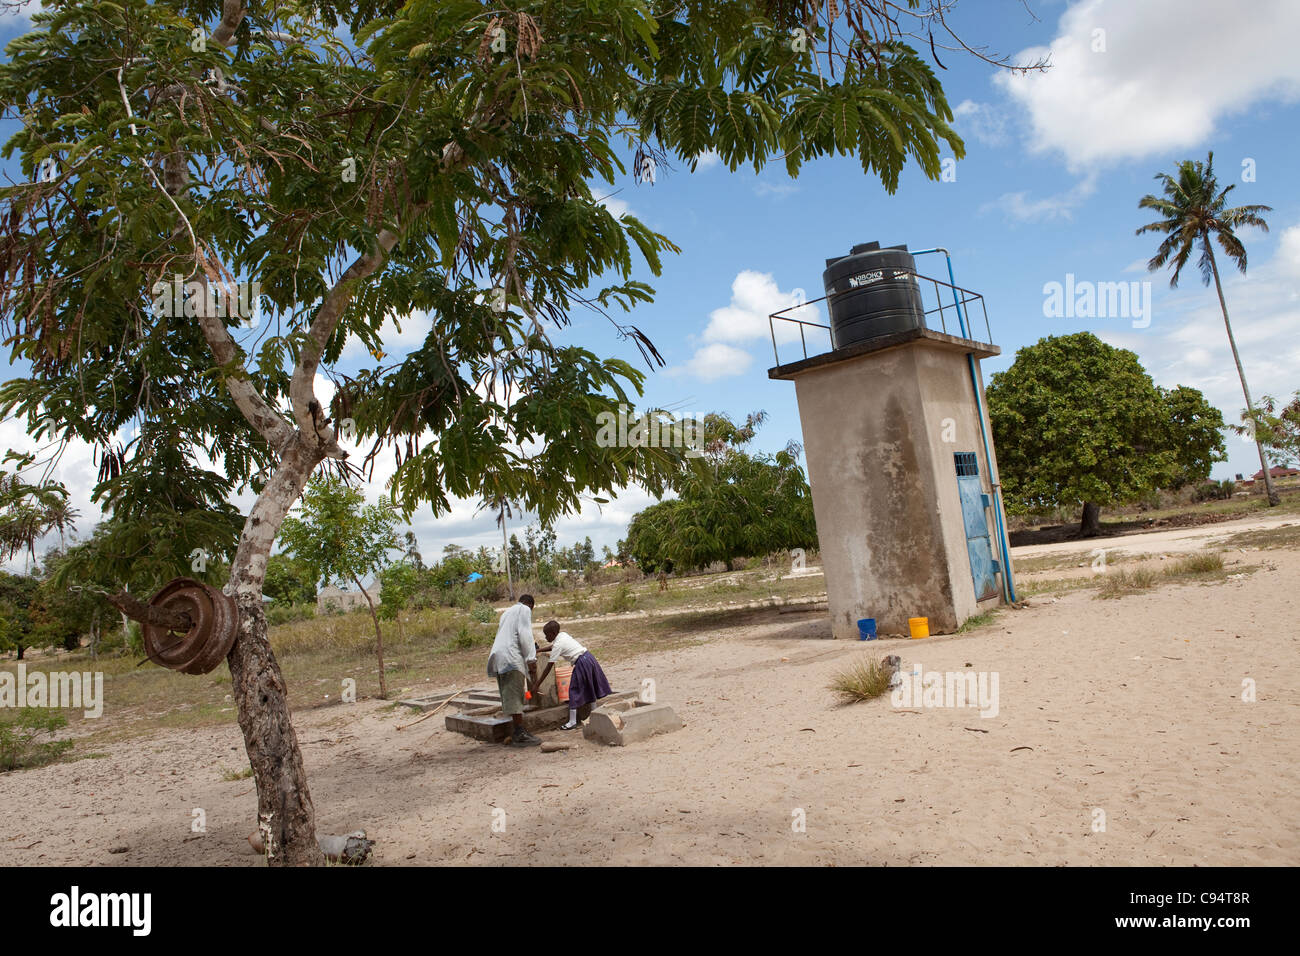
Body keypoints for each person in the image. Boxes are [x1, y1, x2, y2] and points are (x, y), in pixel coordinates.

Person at [533, 620, 611, 730]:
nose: (545, 638)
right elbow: (553, 646)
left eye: (547, 635)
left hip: (581, 663)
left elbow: (549, 667)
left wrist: (537, 684)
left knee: (574, 690)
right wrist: (539, 650)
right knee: (590, 686)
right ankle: (595, 714)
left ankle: (572, 722)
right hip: (589, 658)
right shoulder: (562, 635)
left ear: (553, 633)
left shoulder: (558, 644)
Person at [485, 595, 541, 747]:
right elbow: (525, 635)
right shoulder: (524, 609)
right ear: (530, 605)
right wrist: (531, 659)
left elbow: (513, 634)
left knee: (511, 694)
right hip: (511, 657)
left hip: (499, 656)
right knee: (515, 695)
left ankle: (516, 729)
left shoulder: (506, 613)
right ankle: (519, 733)